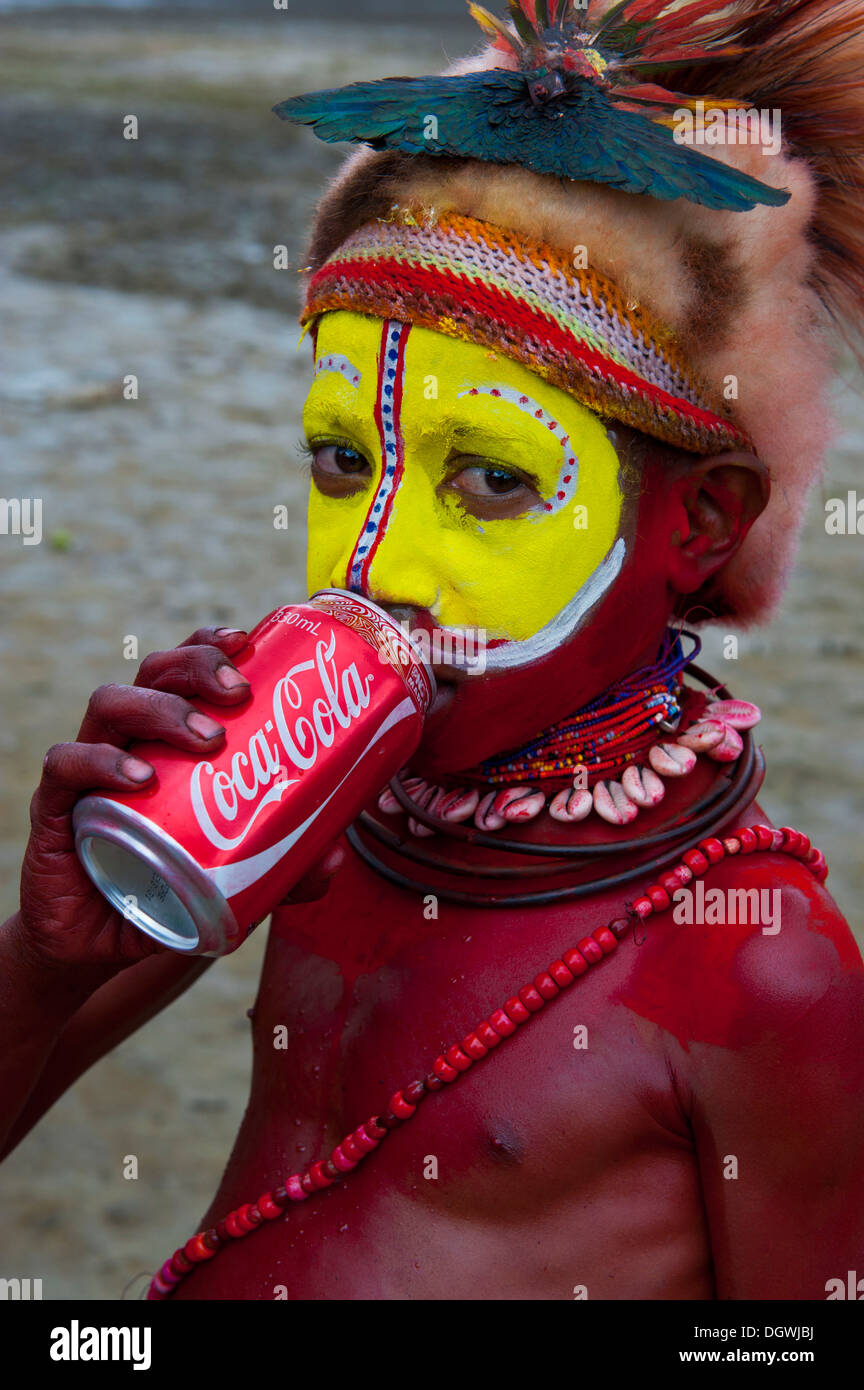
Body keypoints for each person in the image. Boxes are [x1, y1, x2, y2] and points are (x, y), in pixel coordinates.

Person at [2, 0, 863, 1301]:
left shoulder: (755, 959)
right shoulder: (310, 801)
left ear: (700, 522)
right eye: (345, 463)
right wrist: (51, 956)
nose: (373, 566)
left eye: (493, 482)